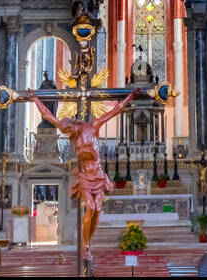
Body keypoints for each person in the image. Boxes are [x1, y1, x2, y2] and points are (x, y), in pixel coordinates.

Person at [19, 87, 140, 265]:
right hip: (85, 177)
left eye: (70, 124)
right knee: (90, 208)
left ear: (77, 122)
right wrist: (36, 99)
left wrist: (130, 96)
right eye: (67, 127)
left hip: (98, 175)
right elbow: (48, 116)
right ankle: (84, 245)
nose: (68, 128)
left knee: (97, 209)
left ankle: (87, 242)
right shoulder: (73, 134)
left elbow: (116, 110)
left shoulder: (94, 127)